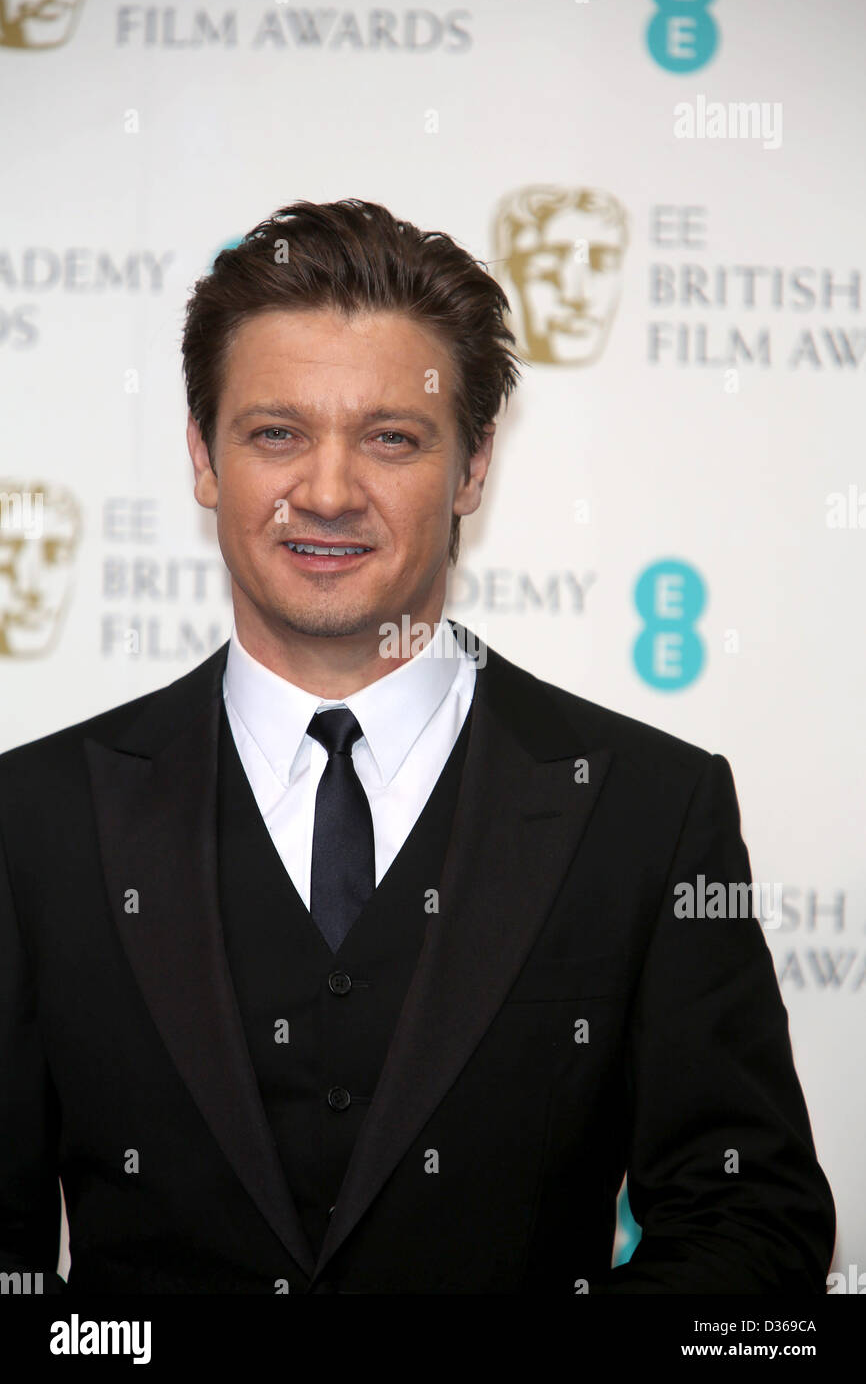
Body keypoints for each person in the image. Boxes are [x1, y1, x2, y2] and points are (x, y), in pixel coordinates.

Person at [0, 199, 835, 1294]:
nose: (331, 490)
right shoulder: (36, 816)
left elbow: (750, 1221)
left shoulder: (645, 808)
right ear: (204, 456)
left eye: (391, 437)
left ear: (473, 466)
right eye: (276, 432)